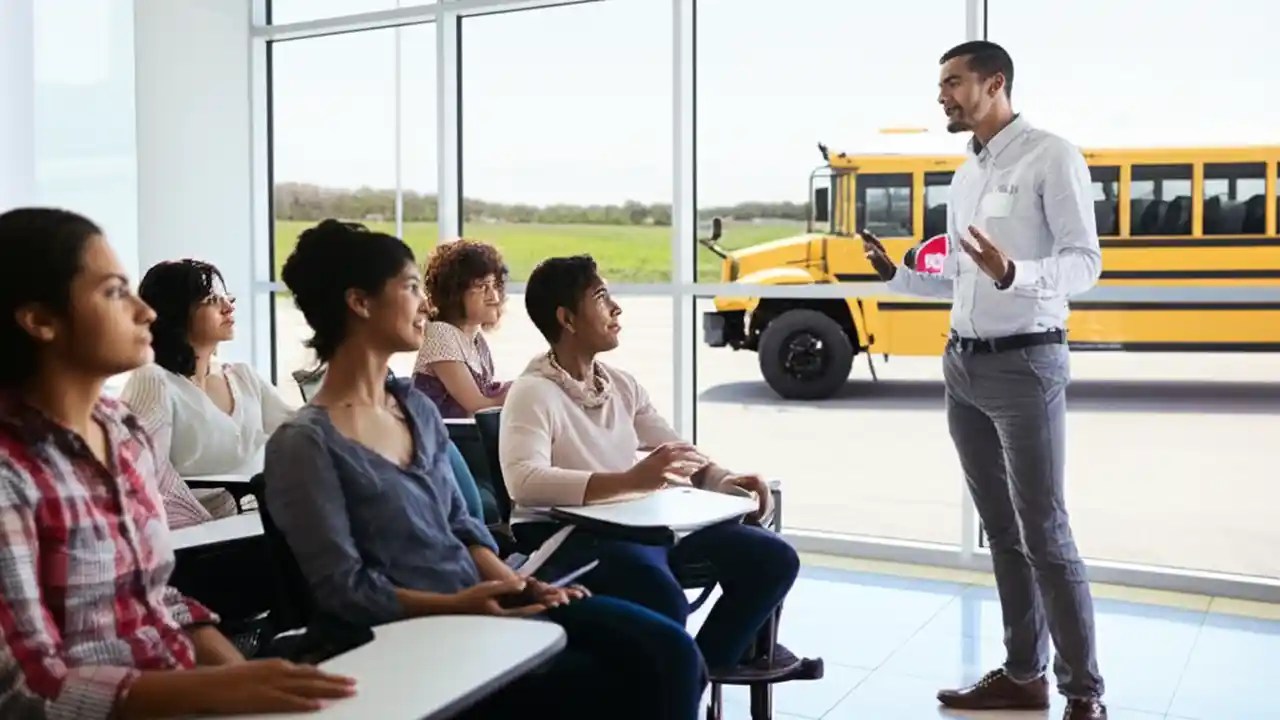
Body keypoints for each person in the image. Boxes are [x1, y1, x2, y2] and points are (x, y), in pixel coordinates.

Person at [266, 220, 707, 719]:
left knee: (673, 654)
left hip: (479, 606)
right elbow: (344, 592)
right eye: (410, 288)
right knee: (640, 674)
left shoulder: (415, 409)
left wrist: (519, 588)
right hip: (416, 635)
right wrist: (466, 605)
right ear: (360, 303)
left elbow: (465, 529)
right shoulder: (304, 444)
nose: (425, 304)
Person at [0, 207, 354, 719]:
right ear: (40, 321)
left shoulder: (118, 431)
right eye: (114, 292)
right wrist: (221, 691)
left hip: (179, 686)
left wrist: (247, 679)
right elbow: (25, 687)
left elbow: (155, 600)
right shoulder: (11, 472)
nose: (145, 312)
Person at [861, 40, 1106, 720]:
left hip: (1026, 364)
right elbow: (962, 276)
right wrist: (899, 276)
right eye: (941, 84)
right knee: (1001, 531)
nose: (942, 94)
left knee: (1044, 534)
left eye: (953, 82)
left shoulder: (1051, 156)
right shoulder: (966, 173)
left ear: (994, 83)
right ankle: (1024, 675)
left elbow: (1085, 262)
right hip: (963, 367)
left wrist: (1014, 272)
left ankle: (1084, 692)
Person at [499, 254, 822, 681]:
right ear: (567, 319)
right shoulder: (533, 392)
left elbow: (674, 452)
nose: (616, 308)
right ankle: (684, 683)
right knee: (664, 598)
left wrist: (723, 478)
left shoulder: (621, 384)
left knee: (773, 558)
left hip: (639, 525)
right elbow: (524, 482)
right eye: (601, 297)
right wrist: (629, 481)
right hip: (574, 535)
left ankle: (699, 675)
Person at [121, 259, 294, 527]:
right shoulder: (154, 381)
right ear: (177, 311)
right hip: (194, 537)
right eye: (212, 300)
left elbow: (302, 430)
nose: (228, 307)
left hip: (255, 527)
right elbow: (140, 475)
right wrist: (212, 519)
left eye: (228, 298)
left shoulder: (243, 376)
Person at [412, 238, 510, 418]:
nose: (494, 296)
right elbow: (478, 406)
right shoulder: (440, 334)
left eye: (495, 285)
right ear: (455, 293)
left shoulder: (477, 340)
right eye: (482, 286)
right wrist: (527, 390)